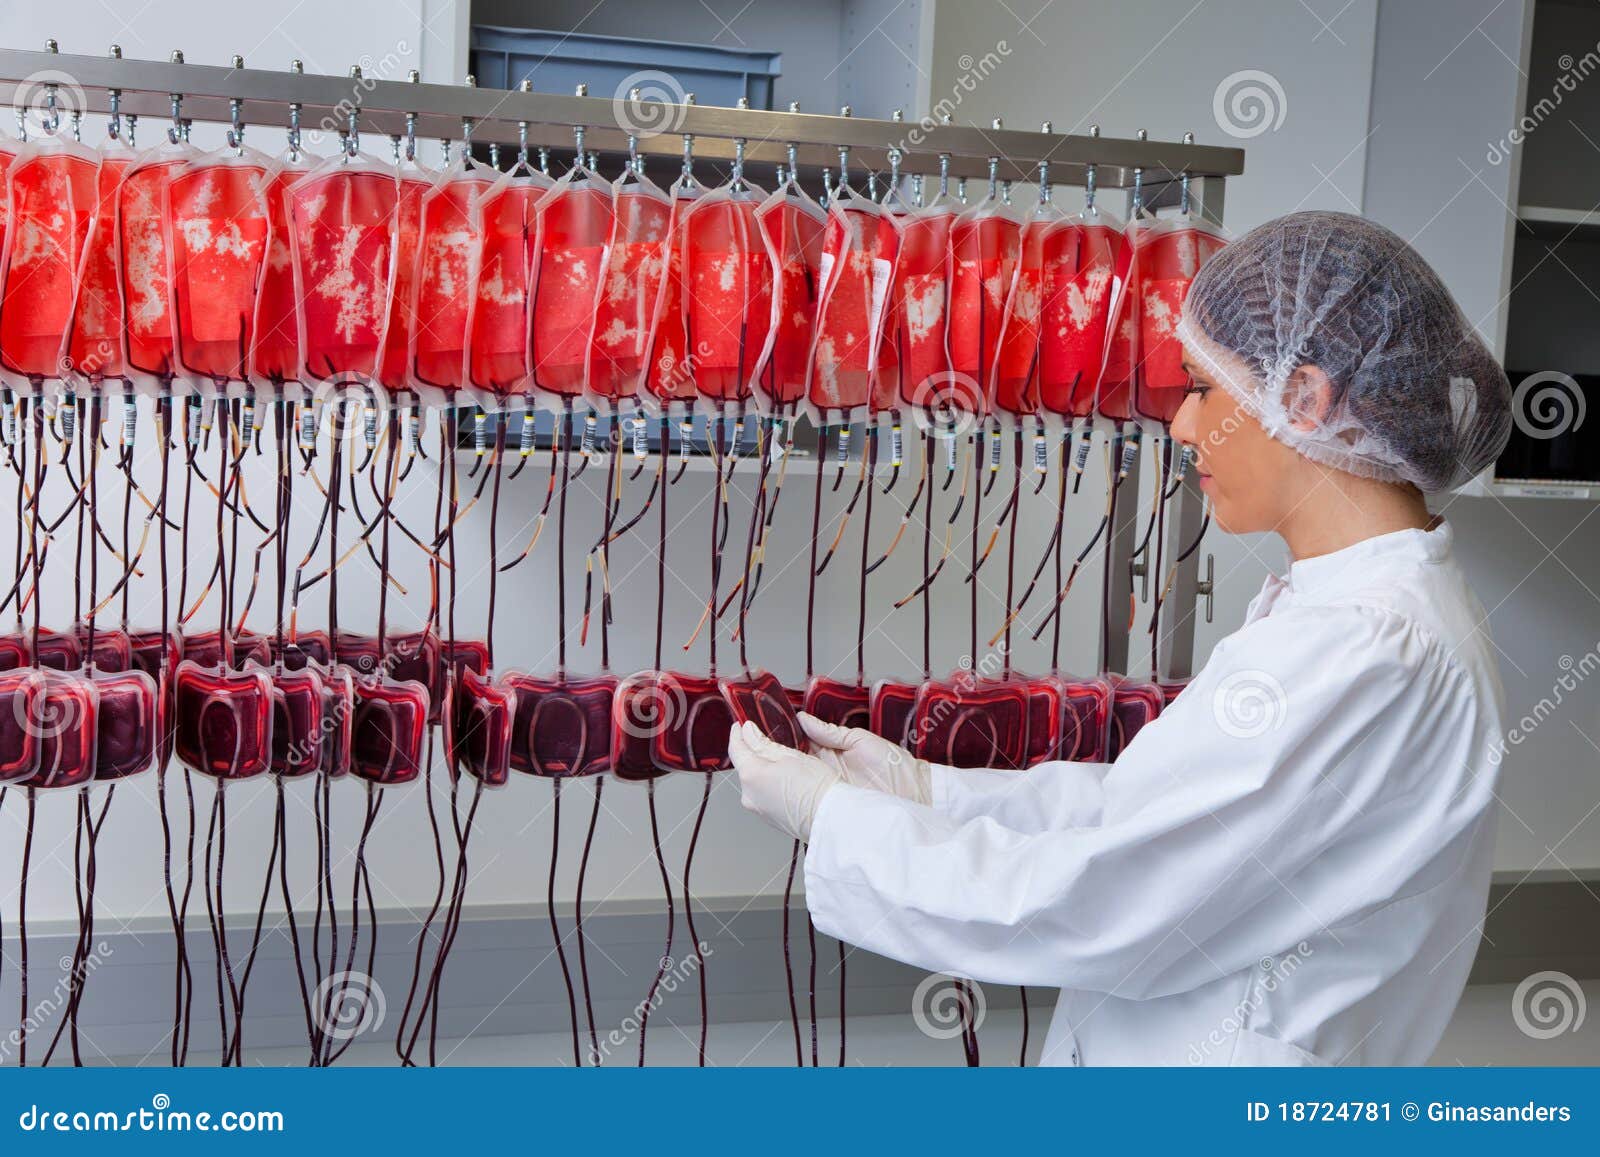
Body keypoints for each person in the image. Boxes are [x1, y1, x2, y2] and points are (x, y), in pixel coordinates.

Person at [728, 210, 1513, 1066]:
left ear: (1304, 398)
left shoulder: (1367, 648)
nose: (1179, 426)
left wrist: (835, 820)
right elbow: (1141, 815)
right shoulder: (1342, 613)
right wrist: (924, 792)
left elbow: (1106, 901)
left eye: (1202, 389)